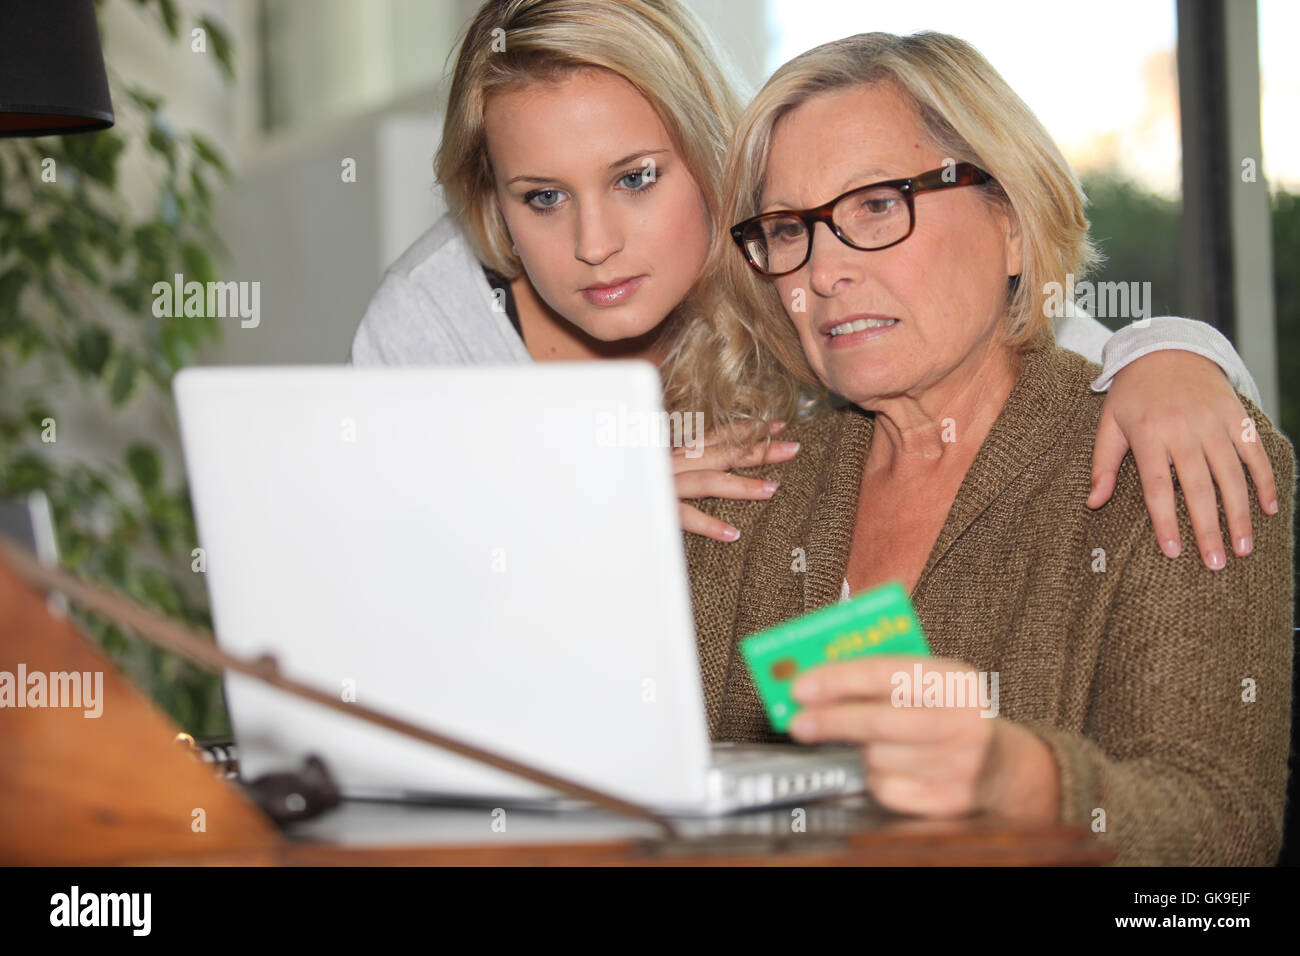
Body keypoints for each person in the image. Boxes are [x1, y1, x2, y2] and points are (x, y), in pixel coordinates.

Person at [348, 0, 1275, 568]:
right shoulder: (429, 324)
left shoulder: (800, 271)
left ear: (714, 156)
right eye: (541, 196)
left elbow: (1037, 337)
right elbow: (386, 583)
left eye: (637, 178)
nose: (595, 244)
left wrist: (1176, 355)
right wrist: (570, 501)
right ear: (490, 202)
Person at [683, 30, 1293, 865]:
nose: (821, 271)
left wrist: (1023, 785)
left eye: (876, 204)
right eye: (791, 229)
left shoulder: (1171, 456)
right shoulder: (732, 495)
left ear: (1009, 221)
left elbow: (1219, 831)